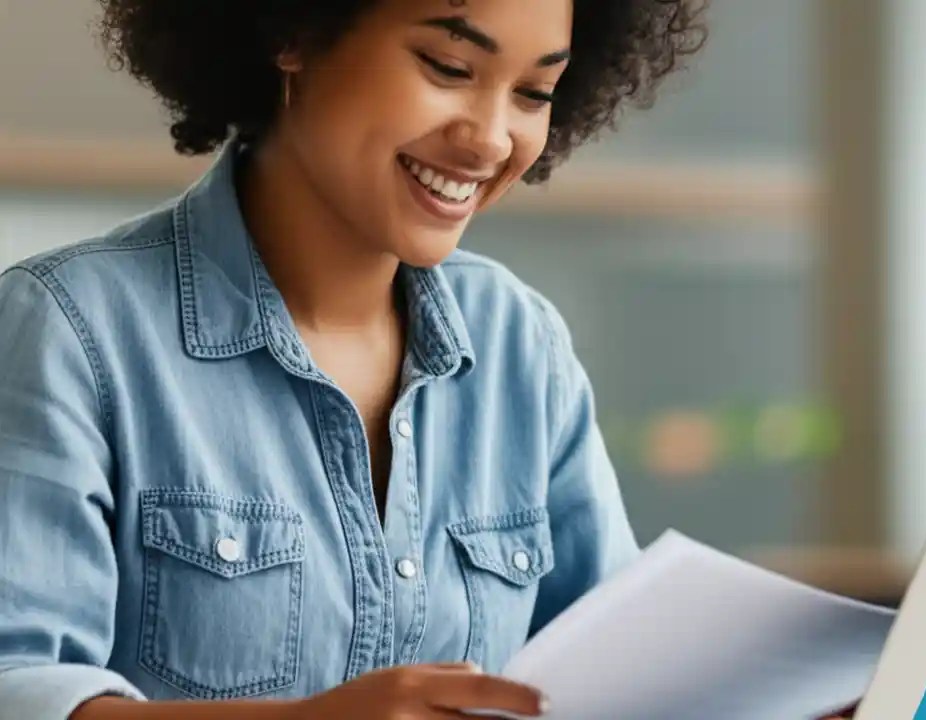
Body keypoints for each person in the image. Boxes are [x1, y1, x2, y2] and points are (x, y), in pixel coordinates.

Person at [0, 1, 725, 718]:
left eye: (534, 93)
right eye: (449, 67)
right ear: (295, 31)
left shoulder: (520, 346)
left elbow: (621, 675)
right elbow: (17, 686)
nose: (490, 140)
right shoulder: (70, 331)